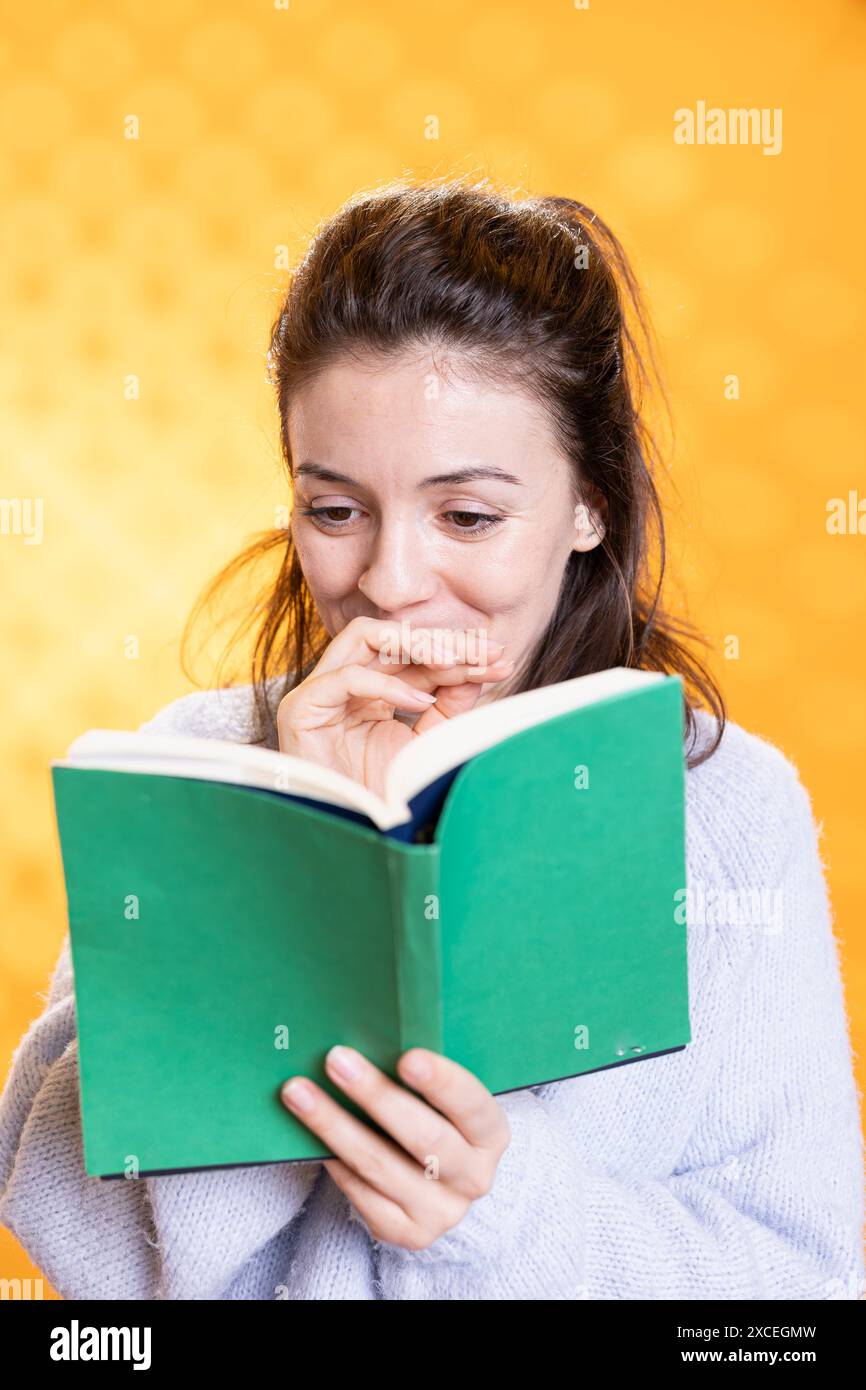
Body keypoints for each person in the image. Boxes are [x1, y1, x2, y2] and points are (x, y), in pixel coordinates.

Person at [2, 177, 863, 1300]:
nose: (389, 585)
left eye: (466, 515)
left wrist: (501, 1218)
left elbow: (802, 1290)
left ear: (589, 504)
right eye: (334, 510)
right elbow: (81, 1247)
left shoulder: (721, 807)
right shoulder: (201, 759)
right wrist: (273, 884)